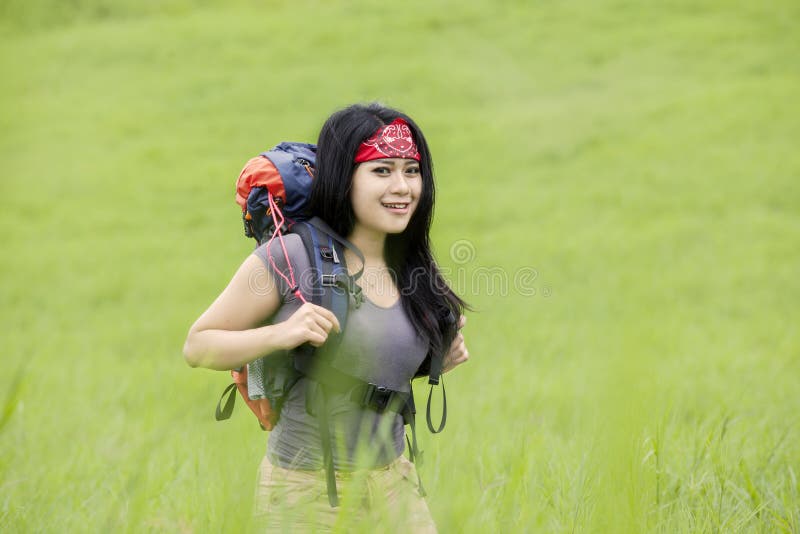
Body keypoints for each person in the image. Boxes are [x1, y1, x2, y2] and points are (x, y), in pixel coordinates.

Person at [183, 102, 470, 532]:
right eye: (381, 171)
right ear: (344, 179)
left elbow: (361, 374)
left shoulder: (408, 264)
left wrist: (433, 361)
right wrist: (282, 334)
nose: (403, 186)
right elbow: (198, 345)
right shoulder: (290, 257)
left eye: (412, 170)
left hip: (395, 485)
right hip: (306, 493)